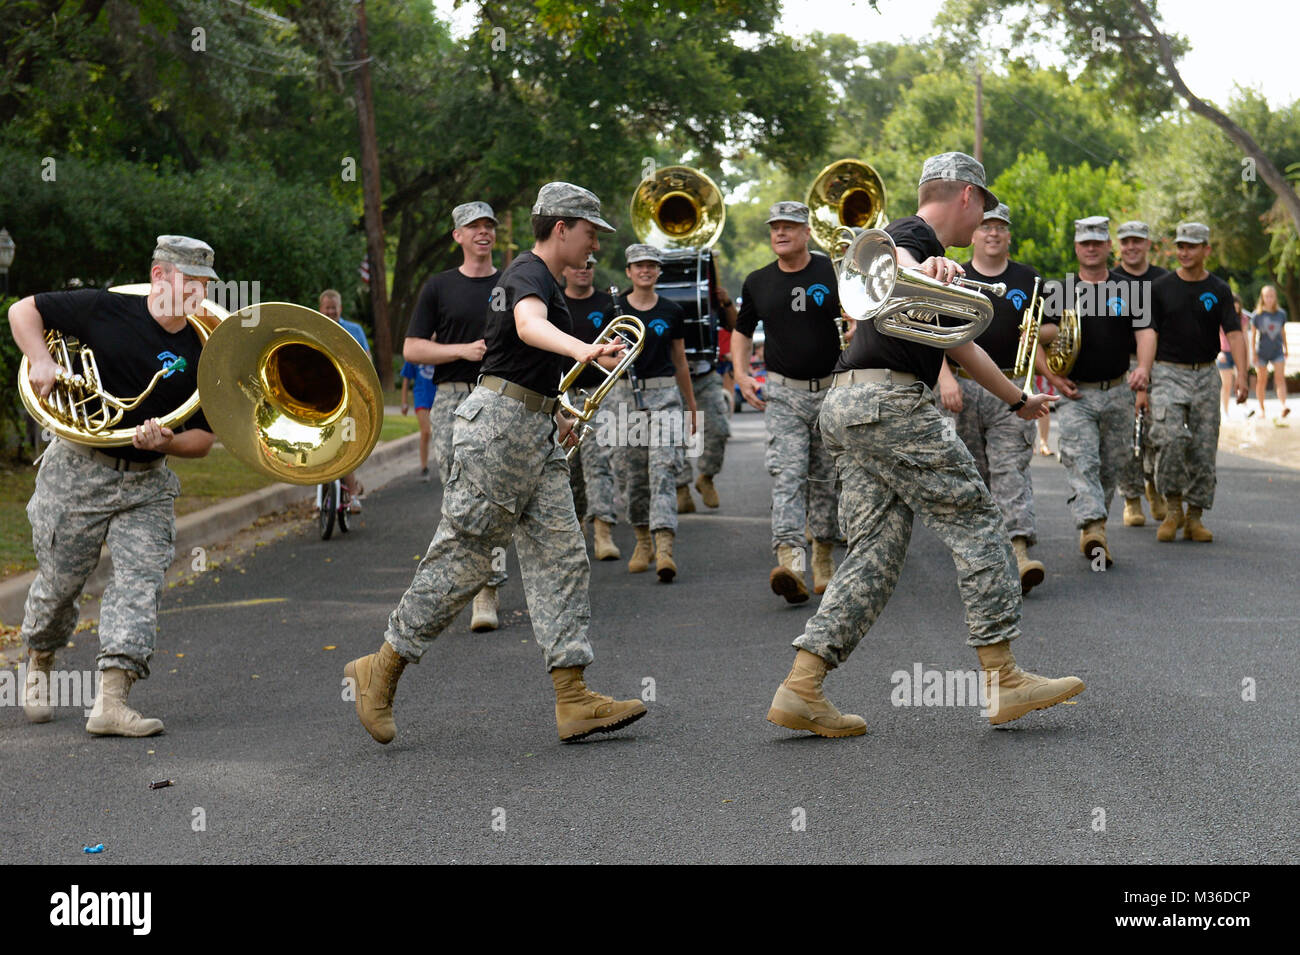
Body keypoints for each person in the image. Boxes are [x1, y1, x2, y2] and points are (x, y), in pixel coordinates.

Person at [763, 152, 1081, 738]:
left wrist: (1018, 399)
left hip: (850, 404)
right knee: (978, 518)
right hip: (891, 405)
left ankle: (801, 687)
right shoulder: (911, 236)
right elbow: (890, 254)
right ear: (966, 195)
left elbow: (963, 347)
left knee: (873, 556)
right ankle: (1003, 677)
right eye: (982, 205)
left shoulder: (930, 267)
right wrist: (925, 265)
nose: (982, 217)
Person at [344, 182, 646, 745]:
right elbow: (530, 328)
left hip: (533, 429)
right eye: (589, 233)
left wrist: (555, 409)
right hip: (500, 431)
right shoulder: (526, 274)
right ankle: (380, 669)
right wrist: (583, 351)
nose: (595, 247)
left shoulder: (541, 280)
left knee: (563, 556)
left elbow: (523, 352)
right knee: (464, 560)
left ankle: (573, 696)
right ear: (561, 228)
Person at [9, 235, 219, 736]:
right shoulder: (105, 307)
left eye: (203, 285)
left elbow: (205, 440)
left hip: (146, 483)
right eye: (188, 282)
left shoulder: (206, 349)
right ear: (159, 277)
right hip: (78, 472)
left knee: (139, 584)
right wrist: (40, 359)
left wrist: (166, 443)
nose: (197, 294)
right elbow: (23, 310)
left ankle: (111, 701)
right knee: (60, 585)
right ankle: (39, 660)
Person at [934, 202, 1046, 594]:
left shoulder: (1029, 278)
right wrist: (944, 378)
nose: (992, 233)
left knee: (1010, 469)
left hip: (1011, 388)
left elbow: (1042, 334)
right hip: (960, 389)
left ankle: (1018, 552)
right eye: (985, 226)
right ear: (975, 234)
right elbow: (932, 333)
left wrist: (1042, 367)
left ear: (1009, 234)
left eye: (1000, 226)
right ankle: (981, 559)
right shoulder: (954, 275)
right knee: (968, 478)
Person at [733, 201, 842, 603]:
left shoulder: (833, 270)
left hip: (833, 390)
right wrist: (742, 374)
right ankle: (792, 562)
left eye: (789, 227)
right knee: (788, 476)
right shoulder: (758, 281)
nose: (780, 233)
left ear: (807, 232)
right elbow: (742, 332)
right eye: (775, 227)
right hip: (782, 394)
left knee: (826, 479)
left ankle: (824, 557)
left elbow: (858, 320)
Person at [404, 201, 505, 631]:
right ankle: (460, 584)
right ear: (458, 237)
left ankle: (488, 591)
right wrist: (460, 350)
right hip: (451, 399)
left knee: (497, 491)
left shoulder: (511, 283)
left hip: (500, 396)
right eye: (473, 227)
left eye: (489, 226)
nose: (483, 232)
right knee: (457, 492)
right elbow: (412, 348)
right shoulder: (438, 287)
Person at [1038, 216, 1154, 567]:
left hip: (1118, 391)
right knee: (1081, 459)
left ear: (1108, 247)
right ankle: (1093, 526)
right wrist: (1053, 378)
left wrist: (1144, 369)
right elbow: (1034, 338)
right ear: (1076, 248)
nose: (1091, 247)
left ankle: (1095, 523)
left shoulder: (1130, 289)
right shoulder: (1059, 290)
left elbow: (1146, 332)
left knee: (1111, 466)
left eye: (1097, 242)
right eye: (1084, 242)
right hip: (1077, 395)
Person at [1140, 223, 1248, 542]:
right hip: (1168, 372)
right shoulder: (1160, 288)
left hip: (1205, 373)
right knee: (1171, 438)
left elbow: (1234, 333)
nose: (1185, 252)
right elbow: (1149, 333)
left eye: (1192, 246)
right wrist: (1143, 379)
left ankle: (1195, 516)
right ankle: (1172, 507)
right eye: (1181, 246)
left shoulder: (1219, 290)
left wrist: (1242, 374)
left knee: (1203, 446)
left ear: (1206, 250)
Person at [617, 243, 697, 582]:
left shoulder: (672, 310)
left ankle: (665, 547)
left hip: (665, 395)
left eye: (651, 265)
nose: (645, 270)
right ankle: (641, 541)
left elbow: (680, 361)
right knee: (633, 476)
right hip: (625, 398)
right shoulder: (615, 307)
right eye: (639, 266)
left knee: (664, 470)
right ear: (629, 272)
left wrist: (691, 405)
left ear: (659, 271)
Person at [1110, 222, 1169, 527]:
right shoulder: (1109, 280)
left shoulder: (1163, 280)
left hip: (1160, 367)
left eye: (1137, 241)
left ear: (1148, 244)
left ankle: (1154, 486)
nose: (1131, 247)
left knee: (1157, 432)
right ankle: (1132, 499)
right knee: (1126, 433)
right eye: (1126, 241)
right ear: (1119, 245)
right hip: (1122, 365)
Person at [562, 253, 621, 559]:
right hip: (560, 391)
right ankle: (574, 530)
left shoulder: (608, 304)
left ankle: (603, 531)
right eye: (576, 264)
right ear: (565, 269)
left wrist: (596, 356)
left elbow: (619, 356)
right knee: (567, 466)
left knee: (600, 461)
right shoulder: (551, 301)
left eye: (589, 265)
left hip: (599, 391)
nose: (583, 269)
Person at [674, 261, 737, 511]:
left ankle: (706, 477)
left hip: (706, 374)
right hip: (674, 378)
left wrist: (726, 302)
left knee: (719, 429)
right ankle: (681, 489)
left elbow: (734, 326)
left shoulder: (708, 298)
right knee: (674, 435)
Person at [320, 289, 369, 512]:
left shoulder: (354, 330)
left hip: (348, 393)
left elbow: (366, 358)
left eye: (333, 308)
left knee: (344, 444)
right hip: (320, 393)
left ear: (340, 308)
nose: (330, 312)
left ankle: (352, 496)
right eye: (326, 308)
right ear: (321, 308)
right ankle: (320, 494)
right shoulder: (314, 326)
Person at [1251, 284, 1289, 422]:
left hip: (1277, 351)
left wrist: (1286, 348)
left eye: (1271, 296)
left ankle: (1284, 406)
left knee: (1280, 379)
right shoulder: (1257, 315)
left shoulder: (1281, 314)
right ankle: (1261, 409)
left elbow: (1283, 332)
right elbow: (1254, 336)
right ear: (1262, 297)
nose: (1269, 299)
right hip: (1262, 352)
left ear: (1275, 297)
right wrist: (1253, 353)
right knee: (1262, 381)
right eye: (1266, 296)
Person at [399, 360, 436, 480]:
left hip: (438, 395)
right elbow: (406, 379)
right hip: (421, 396)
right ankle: (424, 467)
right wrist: (404, 402)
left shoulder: (439, 348)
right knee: (426, 431)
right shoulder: (415, 352)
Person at [1218, 295, 1251, 417]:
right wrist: (1218, 353)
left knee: (1242, 382)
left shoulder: (1243, 319)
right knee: (1226, 385)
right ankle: (1225, 411)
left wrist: (1247, 358)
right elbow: (1214, 336)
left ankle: (1245, 408)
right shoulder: (1220, 318)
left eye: (1237, 307)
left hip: (1238, 353)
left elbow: (1245, 339)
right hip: (1224, 353)